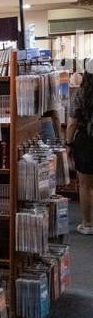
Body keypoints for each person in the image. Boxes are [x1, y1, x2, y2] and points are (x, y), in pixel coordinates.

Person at [66, 59, 93, 232]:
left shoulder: (82, 95)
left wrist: (68, 143)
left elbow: (72, 124)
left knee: (85, 185)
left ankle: (88, 224)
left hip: (86, 142)